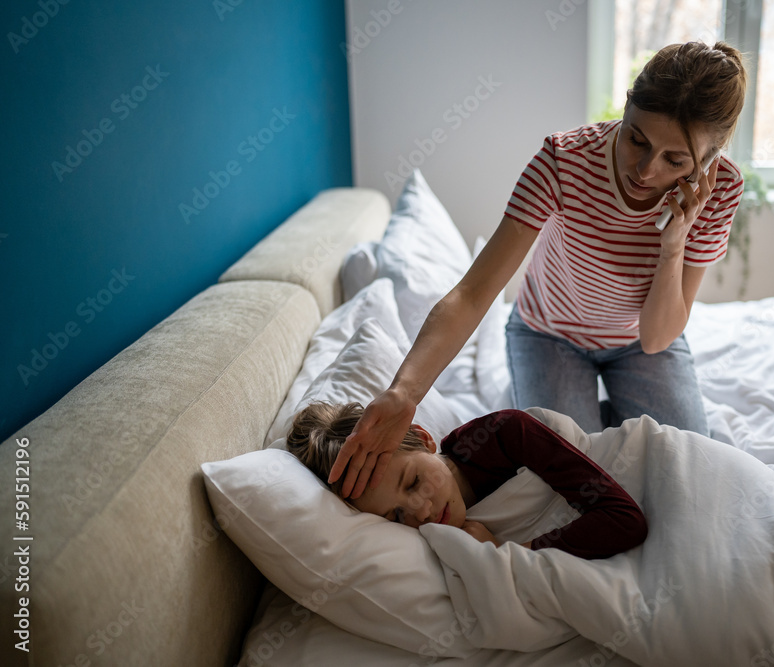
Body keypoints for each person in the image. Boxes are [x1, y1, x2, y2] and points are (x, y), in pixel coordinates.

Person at [332, 40, 749, 500]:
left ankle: (602, 410)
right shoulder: (563, 160)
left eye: (676, 160)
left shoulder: (722, 189)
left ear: (709, 161)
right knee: (574, 484)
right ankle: (576, 401)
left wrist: (673, 245)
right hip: (548, 336)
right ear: (627, 106)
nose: (647, 170)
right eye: (637, 139)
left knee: (686, 476)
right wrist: (404, 393)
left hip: (641, 343)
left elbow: (655, 338)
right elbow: (473, 293)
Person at [287, 401, 648, 560]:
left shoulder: (505, 432)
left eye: (413, 482)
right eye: (396, 516)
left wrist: (507, 554)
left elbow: (624, 521)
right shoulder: (432, 540)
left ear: (425, 438)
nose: (422, 512)